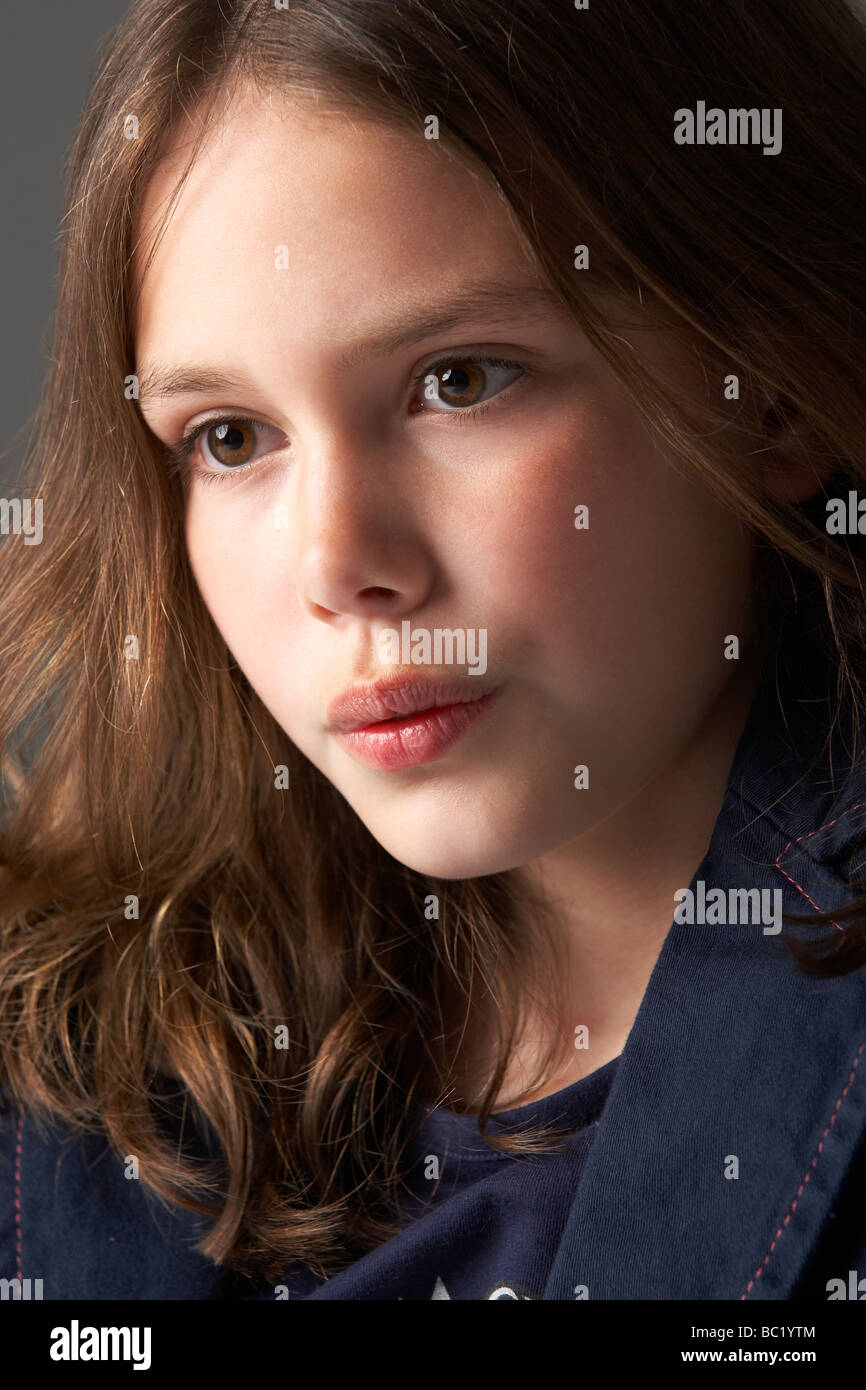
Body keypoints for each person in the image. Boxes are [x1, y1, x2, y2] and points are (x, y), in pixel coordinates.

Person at [1, 0, 865, 1301]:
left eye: (458, 379)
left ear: (774, 386)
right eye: (229, 437)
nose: (334, 562)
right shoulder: (64, 1037)